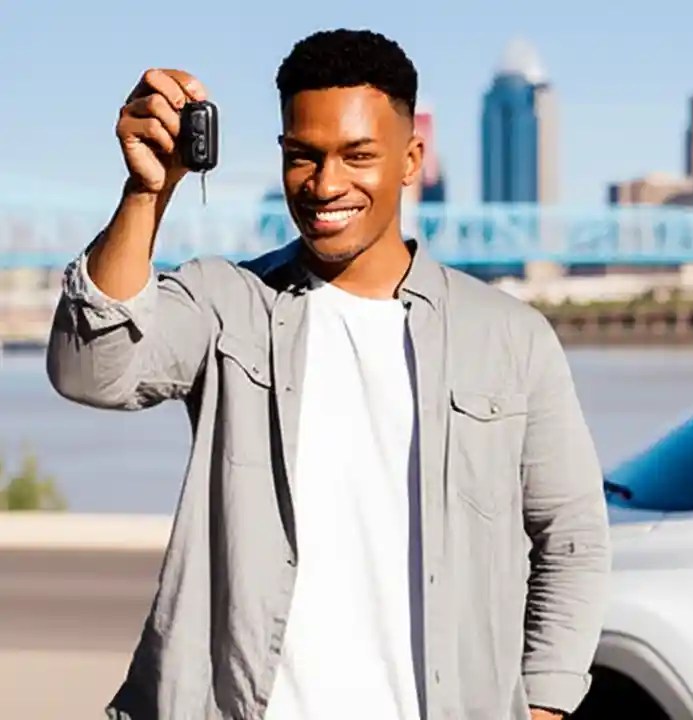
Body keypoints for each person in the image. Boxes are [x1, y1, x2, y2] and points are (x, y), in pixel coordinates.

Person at [47, 29, 610, 720]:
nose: (325, 184)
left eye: (358, 156)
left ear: (411, 160)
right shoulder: (227, 304)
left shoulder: (509, 336)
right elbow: (90, 372)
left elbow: (573, 539)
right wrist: (146, 193)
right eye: (302, 156)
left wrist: (545, 705)